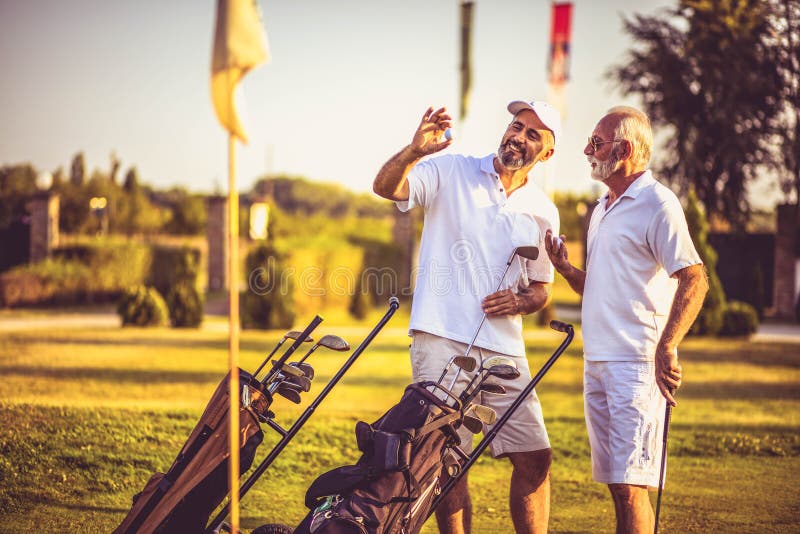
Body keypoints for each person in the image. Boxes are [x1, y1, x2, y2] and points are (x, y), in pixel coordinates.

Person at [372, 101, 561, 534]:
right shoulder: (451, 170)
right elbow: (385, 187)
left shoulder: (543, 210)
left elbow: (541, 290)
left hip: (505, 350)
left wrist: (519, 302)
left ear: (547, 153)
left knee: (535, 458)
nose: (519, 136)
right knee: (447, 461)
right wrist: (413, 151)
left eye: (533, 134)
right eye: (517, 126)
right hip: (440, 339)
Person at [544, 106, 709, 533]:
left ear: (625, 150)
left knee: (633, 485)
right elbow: (599, 287)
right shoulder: (602, 208)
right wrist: (566, 270)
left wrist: (667, 346)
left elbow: (694, 279)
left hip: (636, 365)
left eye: (596, 143)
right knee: (619, 485)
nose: (587, 150)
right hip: (597, 362)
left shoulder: (658, 204)